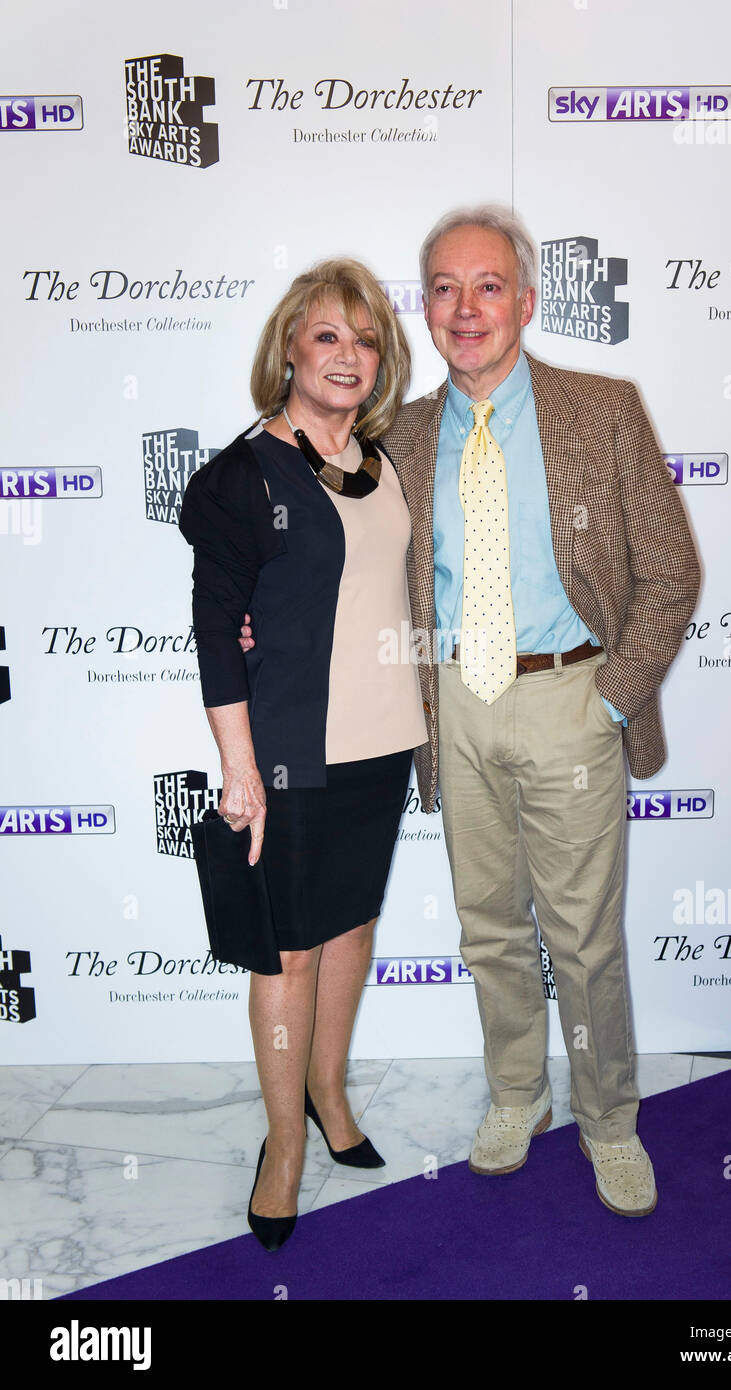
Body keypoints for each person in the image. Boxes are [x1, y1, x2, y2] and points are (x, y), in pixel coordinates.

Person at [383, 206, 701, 1217]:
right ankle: (515, 1095)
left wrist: (607, 697)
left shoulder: (601, 409)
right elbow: (360, 576)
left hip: (569, 694)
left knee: (584, 938)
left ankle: (609, 1119)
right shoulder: (404, 434)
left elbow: (668, 570)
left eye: (487, 286)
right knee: (488, 928)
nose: (466, 307)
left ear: (524, 299)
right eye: (444, 287)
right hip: (457, 711)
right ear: (423, 307)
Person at [178, 258, 426, 1251]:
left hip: (385, 740)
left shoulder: (381, 459)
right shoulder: (241, 476)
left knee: (350, 925)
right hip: (290, 751)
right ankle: (283, 1147)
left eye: (365, 340)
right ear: (288, 346)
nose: (347, 355)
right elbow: (214, 629)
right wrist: (238, 767)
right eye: (327, 335)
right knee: (286, 950)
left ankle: (329, 1092)